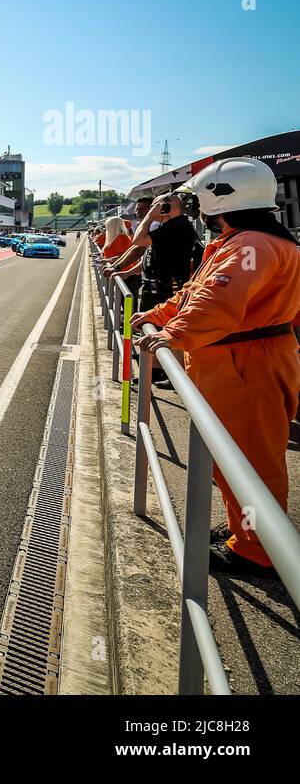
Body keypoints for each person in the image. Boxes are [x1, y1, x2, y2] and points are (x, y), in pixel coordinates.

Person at [132, 158, 300, 577]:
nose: (195, 212)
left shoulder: (250, 247)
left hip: (246, 366)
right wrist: (164, 312)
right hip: (240, 361)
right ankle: (244, 532)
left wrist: (173, 333)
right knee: (233, 459)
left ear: (219, 200)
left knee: (249, 461)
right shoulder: (248, 241)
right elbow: (197, 292)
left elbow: (217, 302)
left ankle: (257, 551)